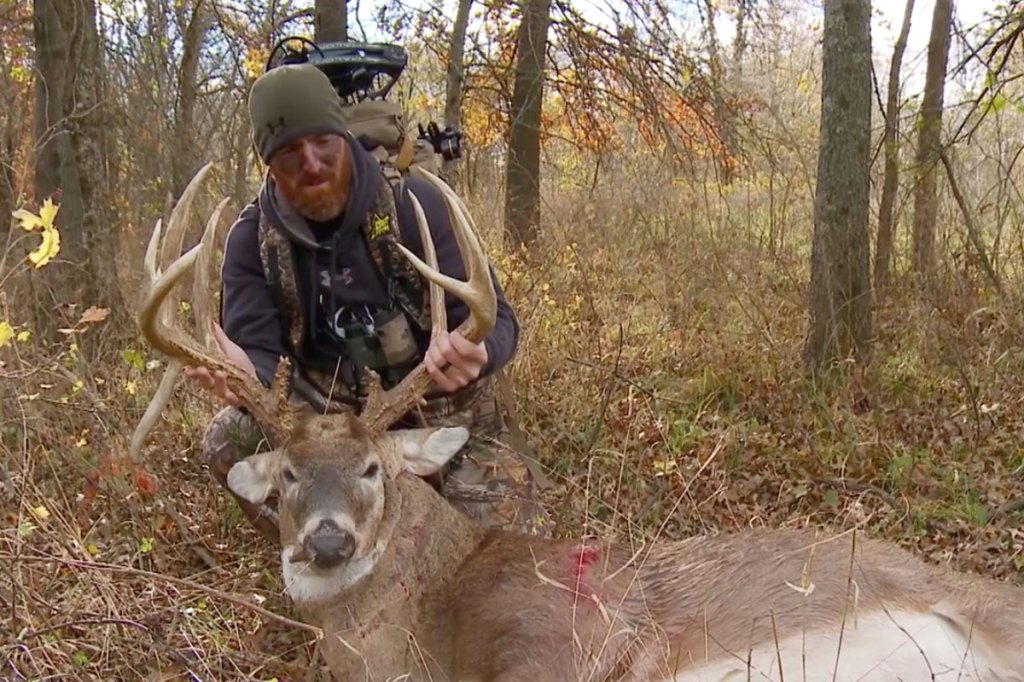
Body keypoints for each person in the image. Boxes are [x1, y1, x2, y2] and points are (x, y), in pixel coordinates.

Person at [186, 63, 549, 542]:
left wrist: (480, 354)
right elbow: (259, 354)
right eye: (290, 153)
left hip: (442, 414)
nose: (311, 163)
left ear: (344, 137)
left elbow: (499, 320)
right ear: (268, 166)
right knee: (226, 441)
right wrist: (244, 379)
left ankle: (389, 524)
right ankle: (328, 550)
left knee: (502, 556)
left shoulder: (416, 204)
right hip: (330, 437)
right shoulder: (251, 241)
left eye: (323, 143)